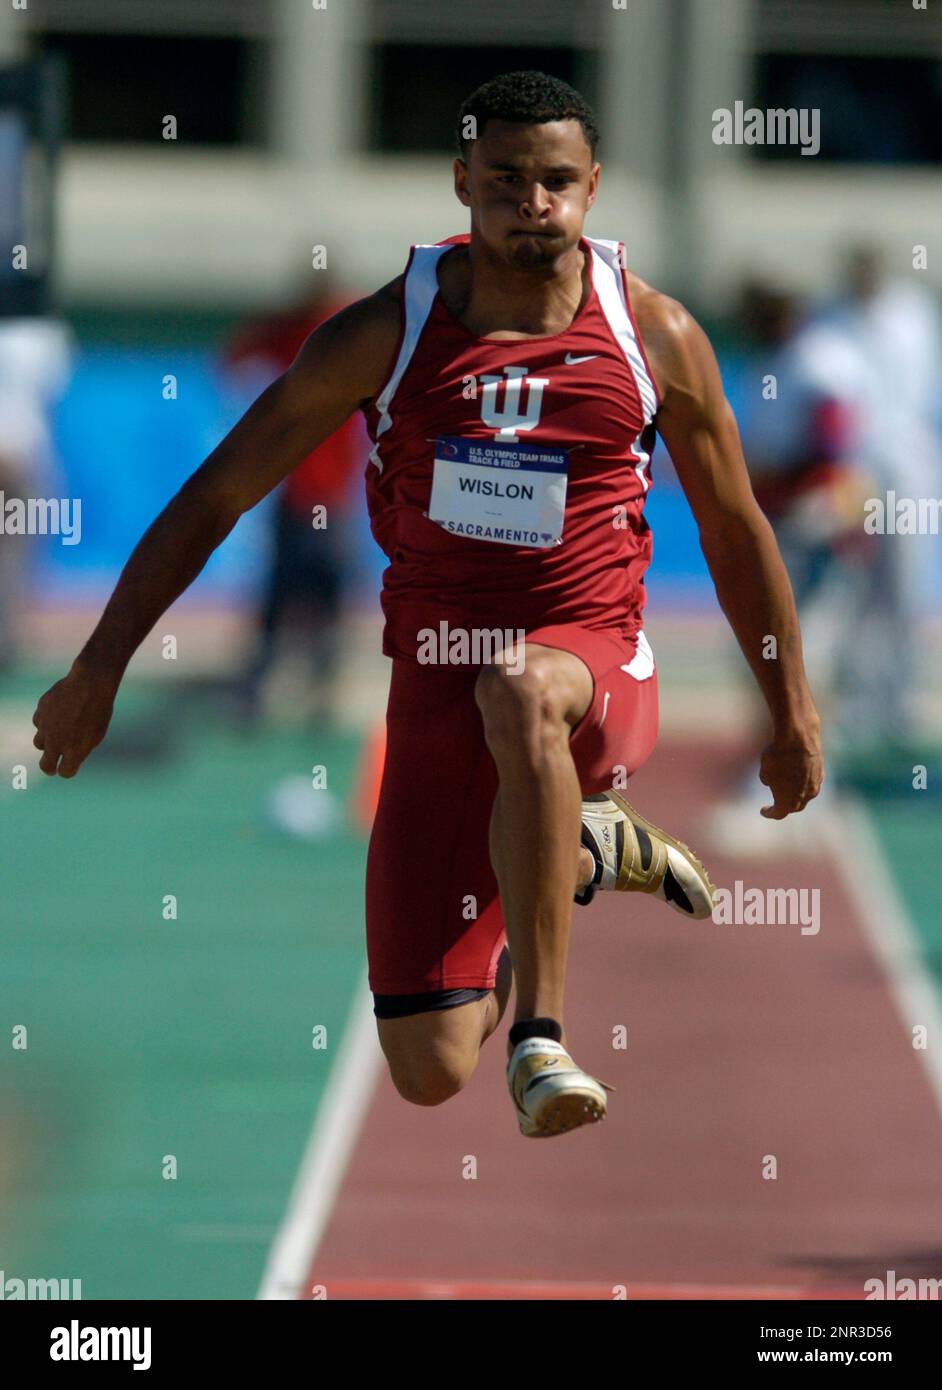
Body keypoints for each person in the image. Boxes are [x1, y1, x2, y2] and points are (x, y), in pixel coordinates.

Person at [31, 72, 822, 1140]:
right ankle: (577, 848)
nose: (530, 201)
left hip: (593, 668)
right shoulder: (381, 333)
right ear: (462, 182)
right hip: (437, 700)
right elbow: (218, 492)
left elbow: (734, 530)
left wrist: (793, 710)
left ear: (593, 189)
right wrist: (99, 667)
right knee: (429, 1066)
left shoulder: (655, 336)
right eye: (504, 179)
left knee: (524, 686)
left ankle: (542, 1031)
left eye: (555, 181)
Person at [219, 278, 365, 727]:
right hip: (301, 493)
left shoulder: (339, 329)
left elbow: (235, 356)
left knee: (319, 595)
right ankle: (270, 688)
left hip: (328, 497)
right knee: (288, 595)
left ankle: (315, 690)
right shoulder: (304, 331)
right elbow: (235, 355)